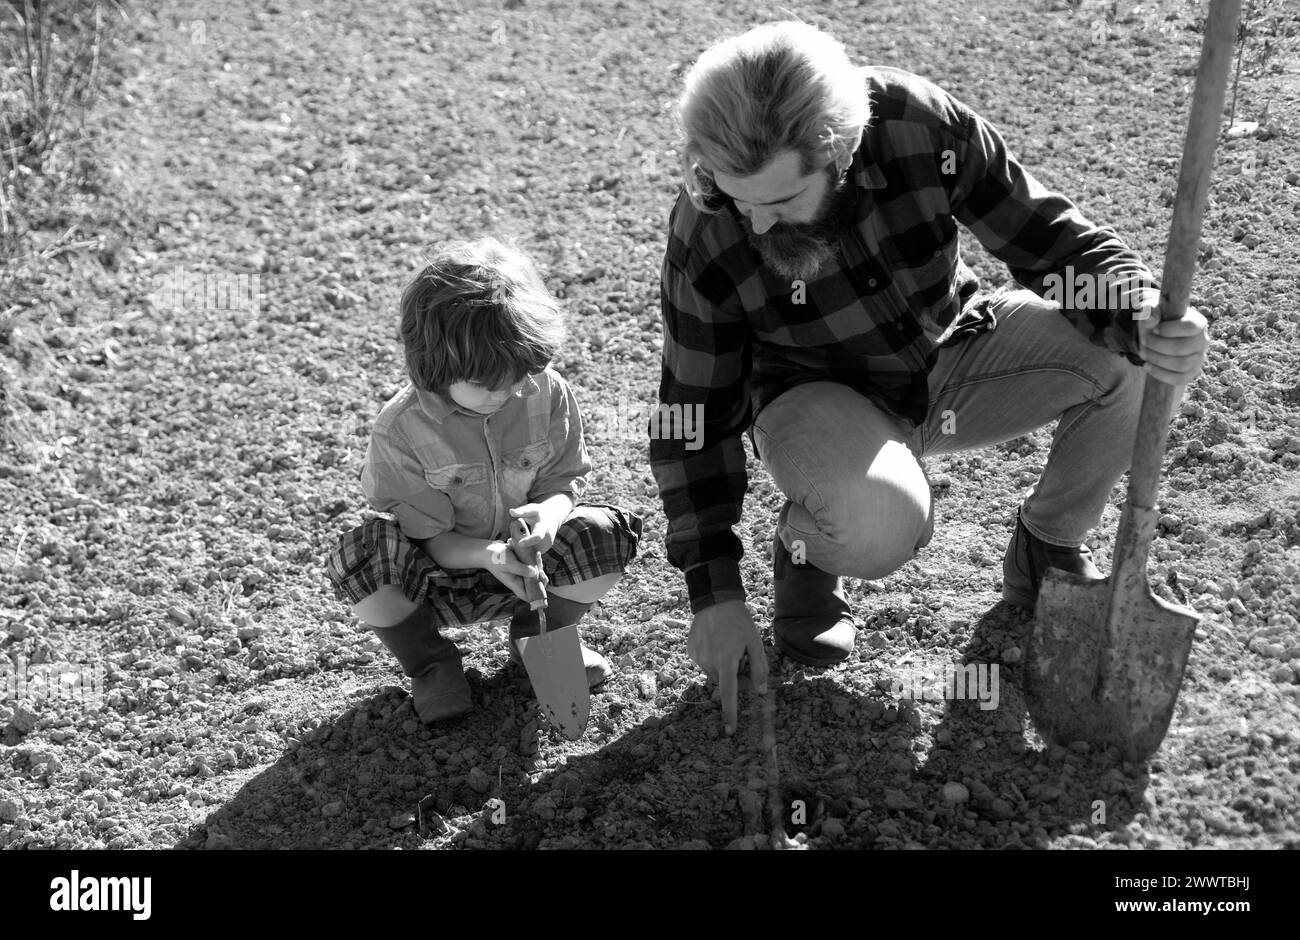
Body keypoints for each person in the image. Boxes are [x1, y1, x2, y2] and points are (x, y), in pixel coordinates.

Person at [650, 21, 1209, 734]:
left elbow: (1049, 240)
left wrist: (1142, 316)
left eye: (783, 202)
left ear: (842, 150)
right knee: (879, 528)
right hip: (816, 398)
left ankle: (1047, 545)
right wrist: (715, 593)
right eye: (738, 198)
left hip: (955, 349)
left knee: (1124, 358)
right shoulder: (709, 229)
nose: (757, 224)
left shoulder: (919, 125)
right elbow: (691, 416)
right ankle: (807, 546)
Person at [326, 238, 642, 723]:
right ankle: (431, 664)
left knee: (604, 534)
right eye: (488, 384)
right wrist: (490, 555)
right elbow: (430, 538)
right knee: (363, 556)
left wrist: (550, 517)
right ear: (436, 364)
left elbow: (564, 481)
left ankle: (539, 637)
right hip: (440, 578)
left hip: (533, 570)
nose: (507, 393)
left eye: (517, 378)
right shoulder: (402, 429)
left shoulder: (545, 392)